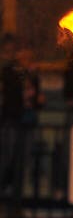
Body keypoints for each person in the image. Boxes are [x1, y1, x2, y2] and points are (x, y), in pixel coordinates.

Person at [0, 42, 45, 200]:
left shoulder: (32, 75)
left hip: (27, 122)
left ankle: (17, 196)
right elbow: (12, 94)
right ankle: (5, 190)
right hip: (12, 121)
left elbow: (38, 99)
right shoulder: (10, 72)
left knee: (23, 160)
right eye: (23, 56)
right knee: (7, 158)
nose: (26, 58)